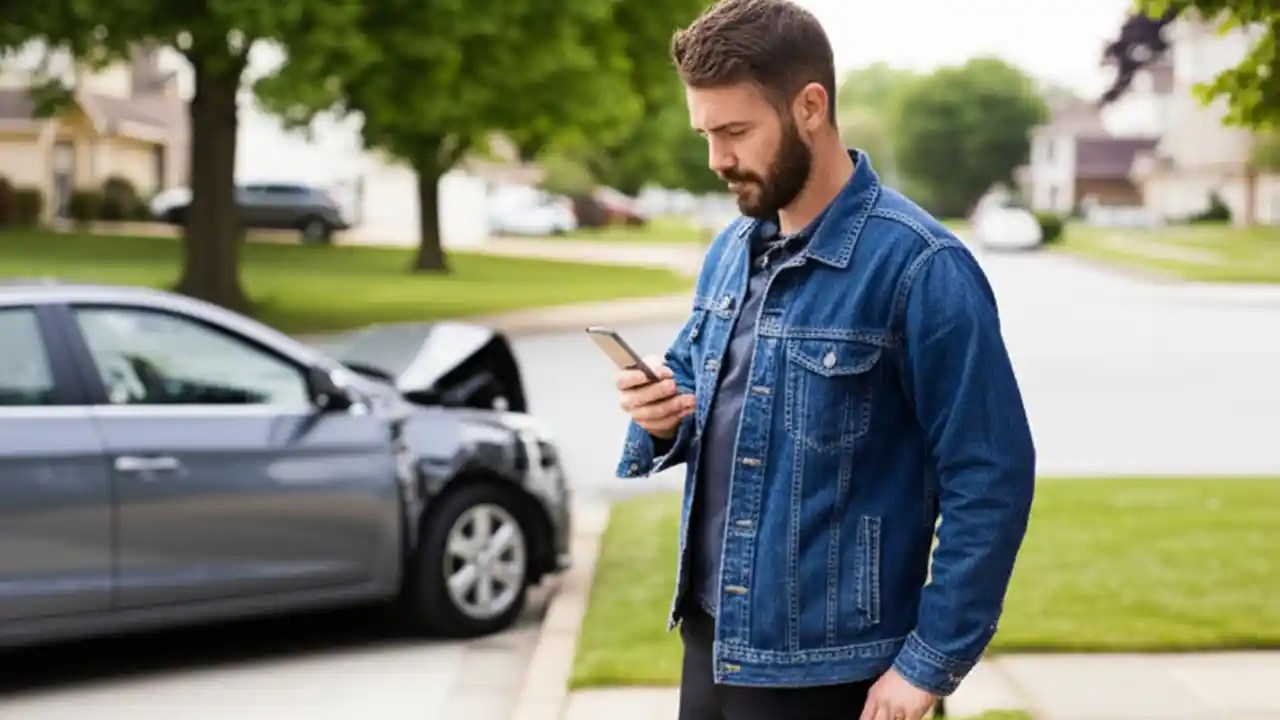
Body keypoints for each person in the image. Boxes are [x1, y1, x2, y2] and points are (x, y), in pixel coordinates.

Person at [612, 1, 1037, 719]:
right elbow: (700, 388)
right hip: (713, 643)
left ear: (811, 106)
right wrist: (659, 415)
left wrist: (927, 666)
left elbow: (990, 478)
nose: (717, 159)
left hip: (836, 676)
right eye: (706, 134)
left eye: (735, 131)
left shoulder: (922, 266)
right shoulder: (730, 251)